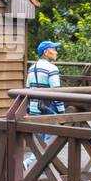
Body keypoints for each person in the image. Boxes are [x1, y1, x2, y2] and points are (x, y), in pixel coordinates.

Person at [23, 41, 64, 170]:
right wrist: (62, 112)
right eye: (54, 49)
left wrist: (28, 108)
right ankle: (28, 164)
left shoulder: (31, 68)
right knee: (51, 142)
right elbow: (57, 92)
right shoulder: (52, 68)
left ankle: (41, 170)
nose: (56, 52)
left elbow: (27, 89)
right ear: (46, 52)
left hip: (34, 109)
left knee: (39, 143)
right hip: (48, 110)